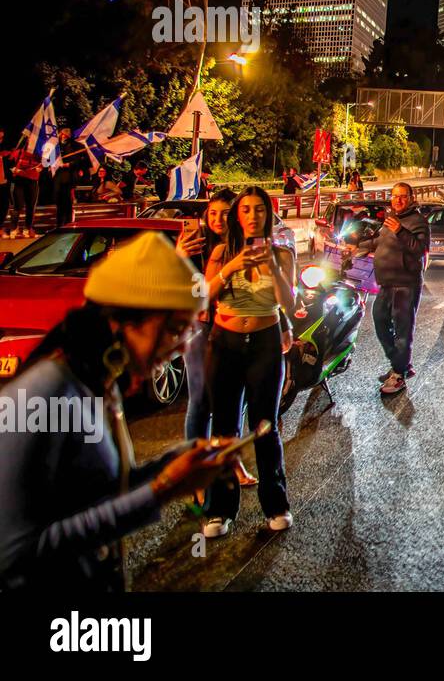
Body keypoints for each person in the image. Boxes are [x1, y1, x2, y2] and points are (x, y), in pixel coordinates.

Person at [0, 231, 237, 590]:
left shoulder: (100, 383)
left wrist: (176, 463)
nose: (180, 347)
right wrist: (163, 488)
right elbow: (12, 555)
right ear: (121, 320)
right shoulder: (44, 391)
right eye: (175, 329)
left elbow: (100, 495)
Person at [202, 186, 297, 537]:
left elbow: (288, 303)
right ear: (236, 215)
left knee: (264, 425)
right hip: (224, 343)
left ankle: (276, 505)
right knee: (224, 428)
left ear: (268, 215)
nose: (253, 216)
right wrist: (230, 268)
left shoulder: (283, 254)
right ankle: (219, 511)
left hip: (265, 343)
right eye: (246, 210)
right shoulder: (222, 252)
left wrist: (272, 266)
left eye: (259, 210)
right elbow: (201, 297)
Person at [174, 190, 255, 489]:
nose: (218, 219)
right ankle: (194, 467)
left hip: (236, 326)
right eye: (213, 213)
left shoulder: (242, 244)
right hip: (201, 328)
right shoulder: (194, 245)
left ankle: (231, 461)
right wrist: (179, 258)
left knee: (236, 398)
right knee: (200, 399)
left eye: (225, 213)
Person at [349, 182, 428, 396]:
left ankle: (399, 374)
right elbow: (381, 242)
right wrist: (360, 247)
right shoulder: (392, 219)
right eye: (395, 196)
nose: (398, 200)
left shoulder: (417, 221)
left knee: (402, 330)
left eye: (403, 196)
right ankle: (399, 363)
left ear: (411, 197)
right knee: (380, 321)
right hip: (386, 283)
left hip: (405, 284)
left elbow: (419, 249)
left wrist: (400, 231)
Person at [5, 144, 40, 238]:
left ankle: (27, 229)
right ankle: (13, 228)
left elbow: (46, 164)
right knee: (17, 206)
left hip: (32, 181)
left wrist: (41, 168)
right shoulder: (19, 152)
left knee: (31, 207)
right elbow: (9, 164)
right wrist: (13, 169)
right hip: (19, 181)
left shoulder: (39, 153)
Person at [52, 127, 83, 227]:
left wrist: (68, 164)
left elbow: (77, 160)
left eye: (68, 131)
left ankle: (67, 222)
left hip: (68, 176)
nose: (67, 133)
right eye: (65, 131)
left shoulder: (73, 145)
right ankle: (59, 223)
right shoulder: (56, 145)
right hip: (57, 176)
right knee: (58, 200)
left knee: (67, 201)